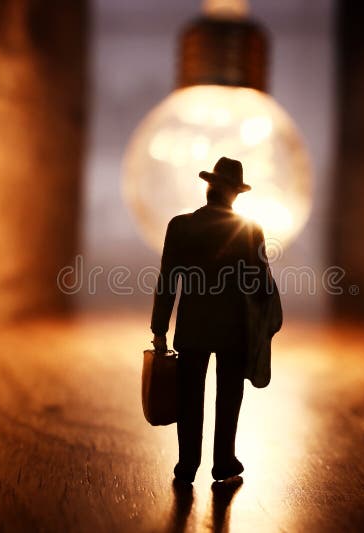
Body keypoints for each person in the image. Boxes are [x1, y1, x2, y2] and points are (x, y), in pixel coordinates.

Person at [150, 156, 278, 484]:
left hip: (192, 329)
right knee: (229, 398)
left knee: (189, 398)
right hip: (234, 331)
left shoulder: (180, 225)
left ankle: (187, 465)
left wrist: (159, 328)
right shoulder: (250, 231)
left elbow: (167, 281)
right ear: (235, 193)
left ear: (210, 186)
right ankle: (223, 463)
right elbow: (261, 284)